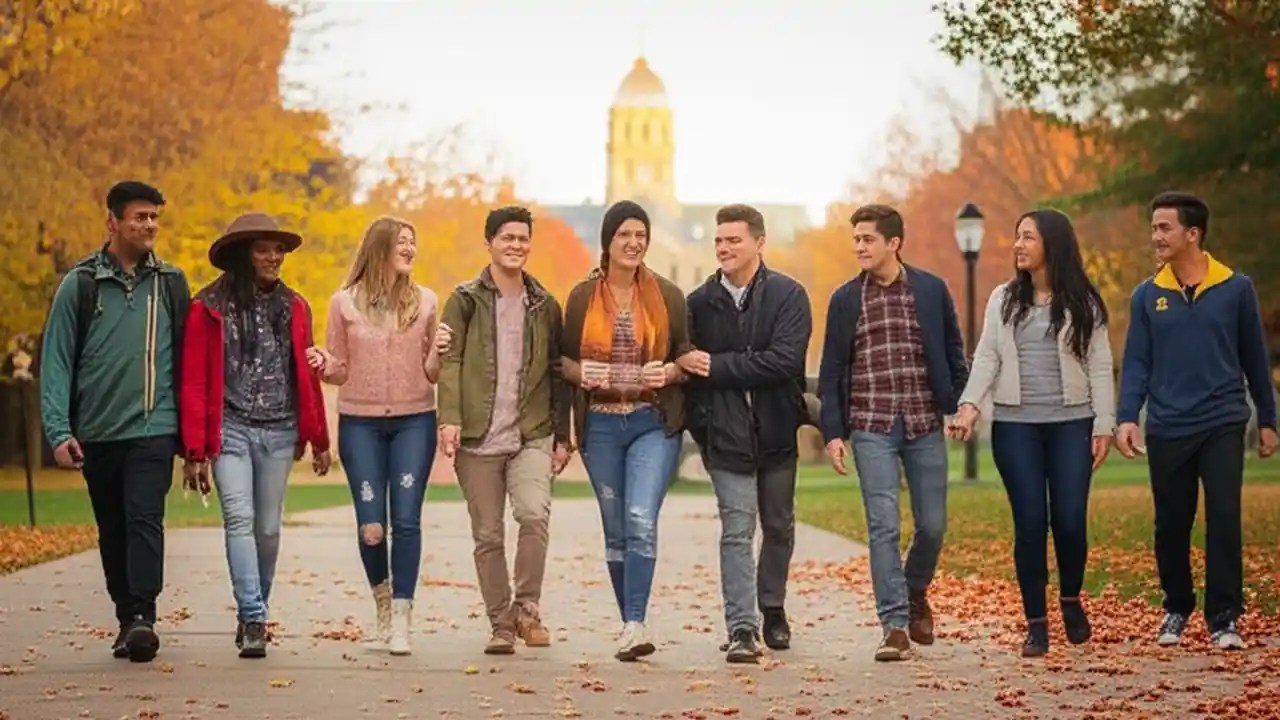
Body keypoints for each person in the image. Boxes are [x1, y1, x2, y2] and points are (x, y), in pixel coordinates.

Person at [948, 209, 1114, 657]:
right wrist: (969, 407)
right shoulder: (1004, 299)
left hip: (1072, 423)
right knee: (1030, 523)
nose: (1018, 245)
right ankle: (1036, 623)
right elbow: (986, 359)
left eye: (1028, 237)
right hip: (1016, 425)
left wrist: (1104, 424)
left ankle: (1071, 599)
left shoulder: (1085, 301)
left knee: (1069, 519)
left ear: (1052, 245)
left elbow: (1099, 366)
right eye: (1016, 236)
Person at [1115, 191, 1276, 651]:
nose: (1156, 237)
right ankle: (1176, 607)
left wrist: (1268, 417)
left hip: (1223, 419)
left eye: (1164, 228)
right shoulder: (1147, 296)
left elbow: (1254, 358)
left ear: (1193, 233)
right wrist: (1128, 417)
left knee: (1224, 517)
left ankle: (1225, 617)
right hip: (1167, 424)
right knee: (1171, 522)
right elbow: (1138, 362)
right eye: (1153, 228)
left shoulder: (1236, 288)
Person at [40, 181, 191, 663]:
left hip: (154, 427)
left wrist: (193, 436)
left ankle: (144, 616)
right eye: (140, 217)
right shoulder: (80, 284)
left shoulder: (170, 283)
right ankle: (127, 616)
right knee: (113, 526)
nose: (149, 226)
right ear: (113, 222)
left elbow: (188, 363)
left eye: (154, 218)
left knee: (145, 518)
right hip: (99, 432)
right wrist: (59, 431)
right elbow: (57, 361)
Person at [817, 204, 968, 662]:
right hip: (871, 426)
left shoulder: (931, 290)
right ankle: (895, 626)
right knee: (883, 526)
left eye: (868, 239)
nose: (859, 247)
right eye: (856, 239)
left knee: (932, 525)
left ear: (893, 243)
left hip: (923, 423)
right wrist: (833, 432)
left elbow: (954, 352)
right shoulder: (846, 299)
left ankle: (915, 589)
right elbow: (831, 370)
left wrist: (960, 403)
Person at [180, 212, 333, 659]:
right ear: (242, 254)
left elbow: (306, 377)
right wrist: (195, 450)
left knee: (268, 528)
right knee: (240, 521)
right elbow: (193, 381)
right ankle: (253, 618)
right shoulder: (206, 306)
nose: (274, 257)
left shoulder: (295, 305)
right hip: (230, 429)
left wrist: (319, 438)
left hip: (280, 431)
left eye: (279, 249)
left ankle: (256, 609)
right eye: (264, 248)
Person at [560, 200, 697, 662]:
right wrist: (584, 376)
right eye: (624, 234)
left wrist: (672, 372)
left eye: (641, 234)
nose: (634, 242)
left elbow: (685, 353)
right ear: (608, 240)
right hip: (599, 425)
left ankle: (635, 621)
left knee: (640, 519)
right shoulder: (582, 296)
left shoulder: (669, 295)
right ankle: (629, 627)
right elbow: (560, 363)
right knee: (616, 530)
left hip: (651, 422)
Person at [435, 206, 572, 655]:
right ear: (490, 243)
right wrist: (449, 419)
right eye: (507, 238)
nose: (516, 245)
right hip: (477, 436)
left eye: (522, 238)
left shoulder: (545, 305)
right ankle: (501, 623)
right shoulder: (465, 299)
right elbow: (449, 361)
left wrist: (561, 434)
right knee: (488, 535)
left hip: (531, 432)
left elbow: (557, 372)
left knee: (534, 515)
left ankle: (527, 610)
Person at [683, 204, 812, 663]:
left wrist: (718, 365)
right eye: (719, 241)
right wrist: (706, 426)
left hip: (777, 433)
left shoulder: (788, 295)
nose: (723, 248)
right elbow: (687, 370)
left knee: (778, 526)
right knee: (737, 530)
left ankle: (772, 607)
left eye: (733, 240)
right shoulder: (697, 303)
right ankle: (742, 627)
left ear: (759, 242)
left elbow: (784, 361)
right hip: (726, 439)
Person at [313, 216, 441, 656]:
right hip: (361, 424)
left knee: (406, 521)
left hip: (414, 421)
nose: (409, 248)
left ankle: (403, 619)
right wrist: (322, 363)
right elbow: (340, 368)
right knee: (372, 527)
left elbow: (431, 371)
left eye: (413, 241)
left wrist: (442, 353)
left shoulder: (426, 302)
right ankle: (383, 607)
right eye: (401, 241)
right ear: (380, 247)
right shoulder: (343, 303)